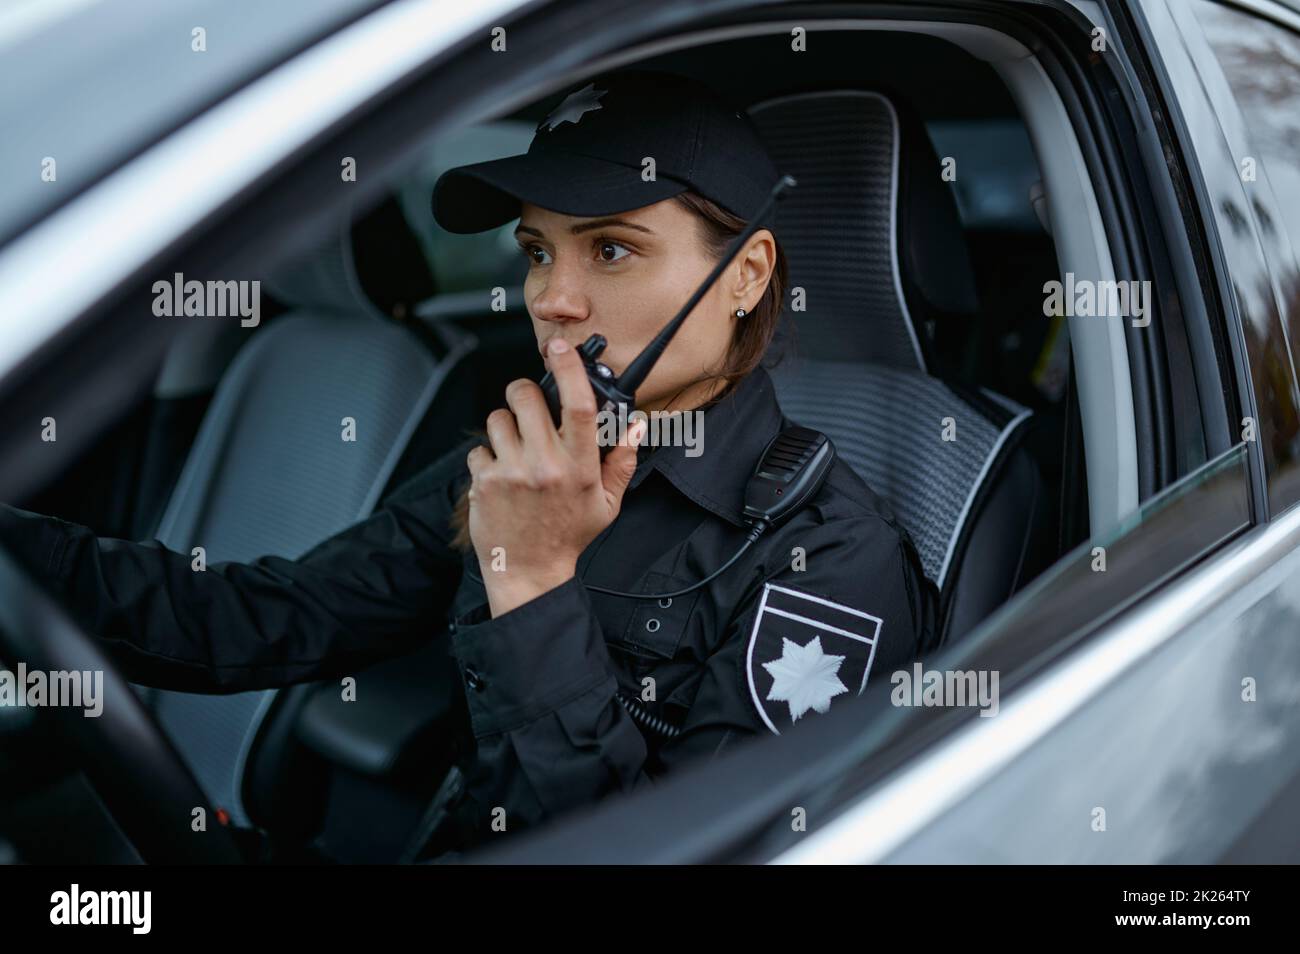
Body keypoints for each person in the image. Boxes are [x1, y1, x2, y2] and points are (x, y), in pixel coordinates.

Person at [0, 69, 938, 858]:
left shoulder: (829, 566)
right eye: (537, 251)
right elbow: (267, 616)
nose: (551, 300)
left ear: (748, 273)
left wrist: (530, 583)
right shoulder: (523, 459)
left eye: (611, 249)